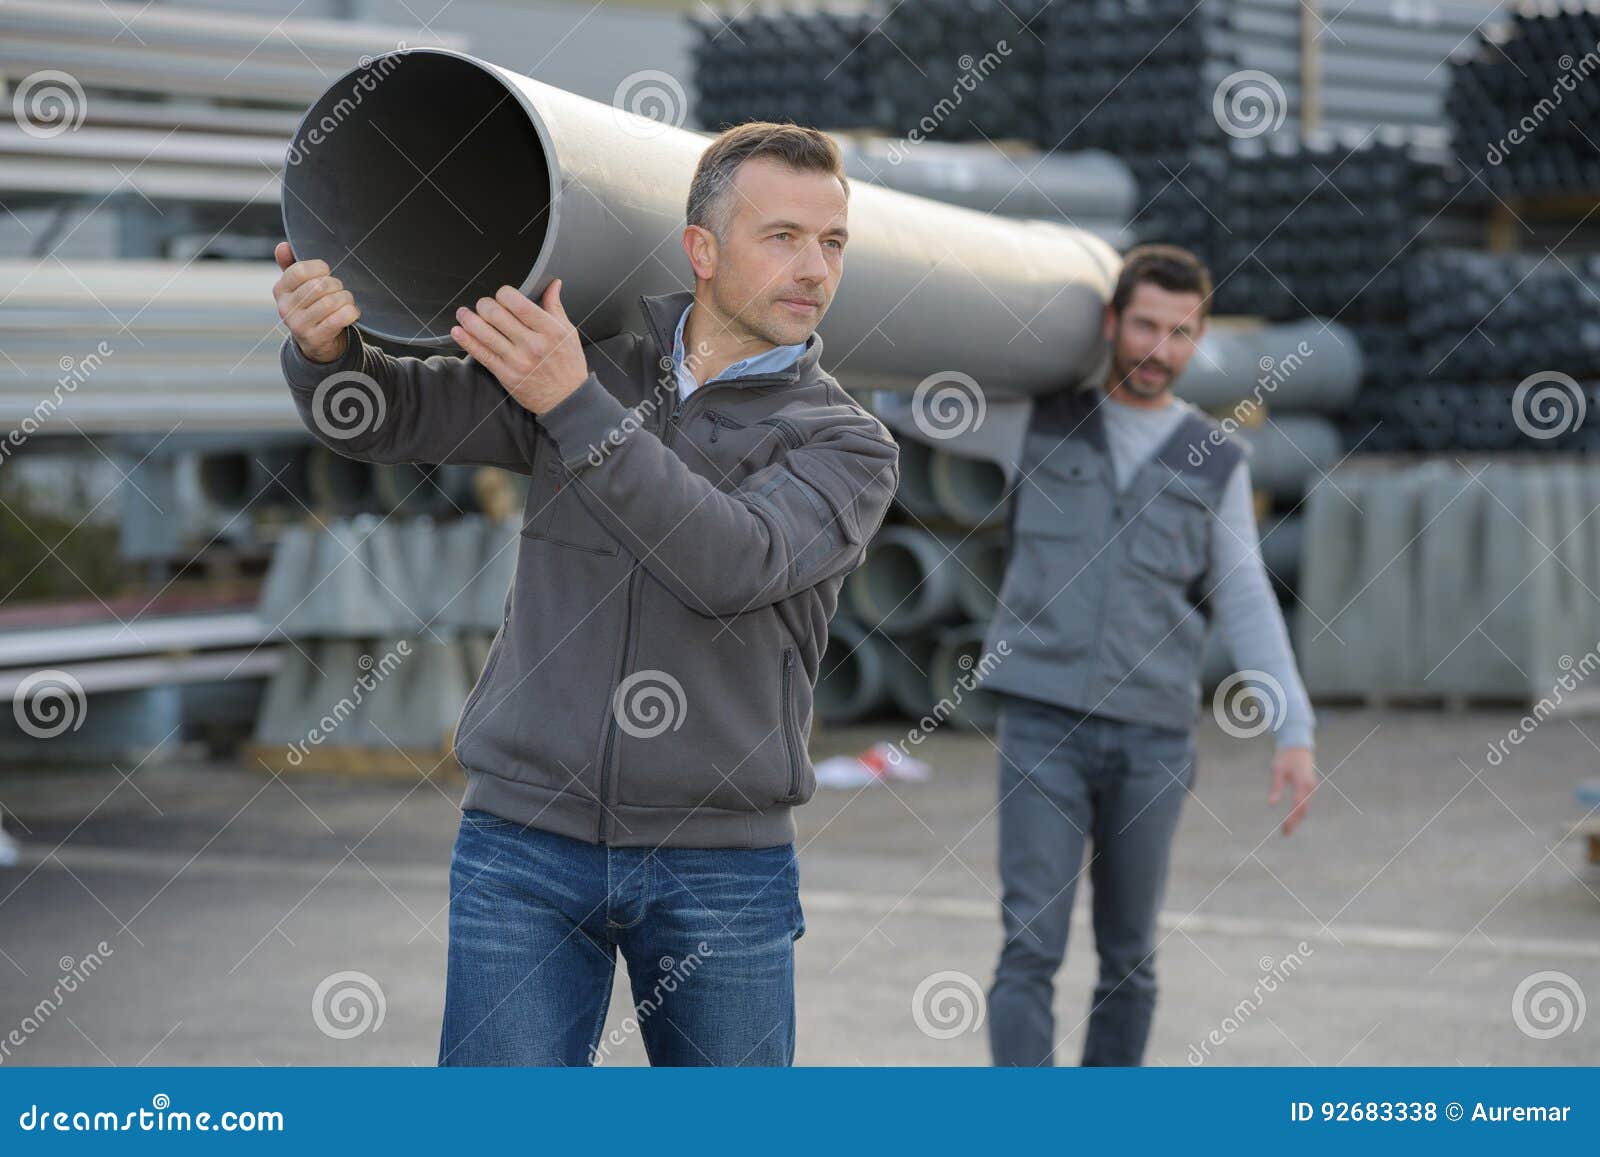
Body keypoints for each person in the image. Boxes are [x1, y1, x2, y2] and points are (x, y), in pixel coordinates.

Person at [272, 122, 899, 1066]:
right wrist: (326, 354)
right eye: (782, 237)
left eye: (833, 242)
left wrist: (571, 403)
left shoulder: (846, 443)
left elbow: (734, 563)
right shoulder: (599, 367)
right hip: (524, 844)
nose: (814, 267)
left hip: (719, 862)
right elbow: (388, 414)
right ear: (702, 249)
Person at [977, 244, 1317, 1067]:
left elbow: (1244, 595)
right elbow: (904, 393)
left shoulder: (1216, 458)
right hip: (1042, 728)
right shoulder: (1038, 419)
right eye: (1145, 326)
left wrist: (1293, 727)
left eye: (1180, 332)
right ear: (1110, 324)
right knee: (1030, 946)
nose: (1159, 350)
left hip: (1152, 738)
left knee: (1130, 958)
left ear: (1198, 338)